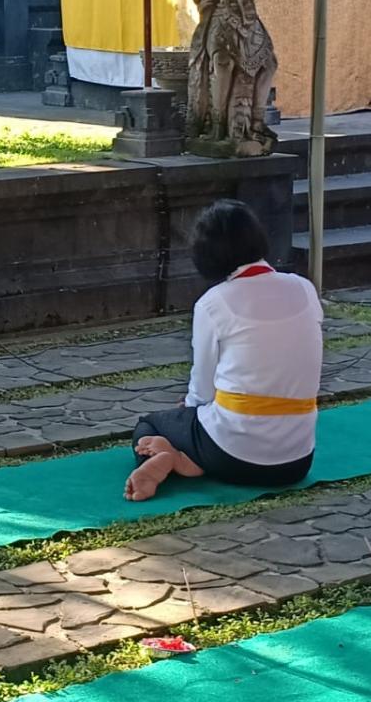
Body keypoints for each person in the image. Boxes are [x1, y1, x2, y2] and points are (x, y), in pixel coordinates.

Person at [125, 200, 323, 501]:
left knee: (149, 425)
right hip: (295, 461)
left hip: (229, 454)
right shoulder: (304, 289)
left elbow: (202, 387)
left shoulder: (214, 302)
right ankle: (185, 458)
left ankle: (172, 459)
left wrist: (189, 409)